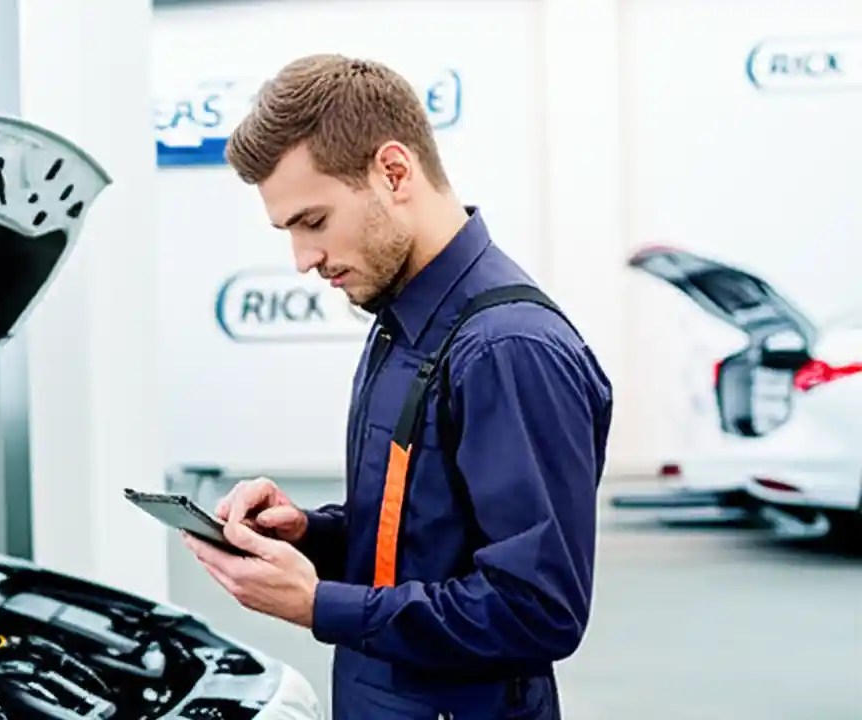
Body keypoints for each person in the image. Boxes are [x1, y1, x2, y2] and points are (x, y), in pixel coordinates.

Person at [179, 53, 613, 719]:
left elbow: (538, 610)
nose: (302, 260)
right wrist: (310, 535)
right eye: (289, 230)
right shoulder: (402, 322)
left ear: (393, 171)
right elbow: (426, 537)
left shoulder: (507, 349)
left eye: (313, 222)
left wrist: (319, 604)